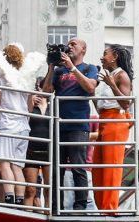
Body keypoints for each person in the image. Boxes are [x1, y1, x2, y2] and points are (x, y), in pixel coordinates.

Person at [40, 38, 98, 212]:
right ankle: (56, 206)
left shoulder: (90, 68)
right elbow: (46, 91)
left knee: (78, 167)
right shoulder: (59, 71)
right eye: (68, 44)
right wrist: (51, 66)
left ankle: (80, 207)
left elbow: (90, 88)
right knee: (56, 168)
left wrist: (72, 67)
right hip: (59, 123)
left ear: (83, 49)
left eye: (74, 44)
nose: (69, 47)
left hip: (78, 125)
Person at [0, 45, 37, 206]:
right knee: (17, 167)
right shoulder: (26, 78)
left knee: (3, 164)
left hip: (7, 125)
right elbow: (30, 107)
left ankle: (9, 198)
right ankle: (19, 200)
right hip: (23, 126)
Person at [93, 44, 133, 212]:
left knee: (111, 167)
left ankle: (110, 208)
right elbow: (101, 105)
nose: (102, 57)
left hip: (116, 121)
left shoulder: (121, 75)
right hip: (104, 120)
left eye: (105, 54)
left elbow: (126, 103)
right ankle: (102, 207)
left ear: (114, 56)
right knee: (98, 166)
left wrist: (112, 85)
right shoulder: (107, 76)